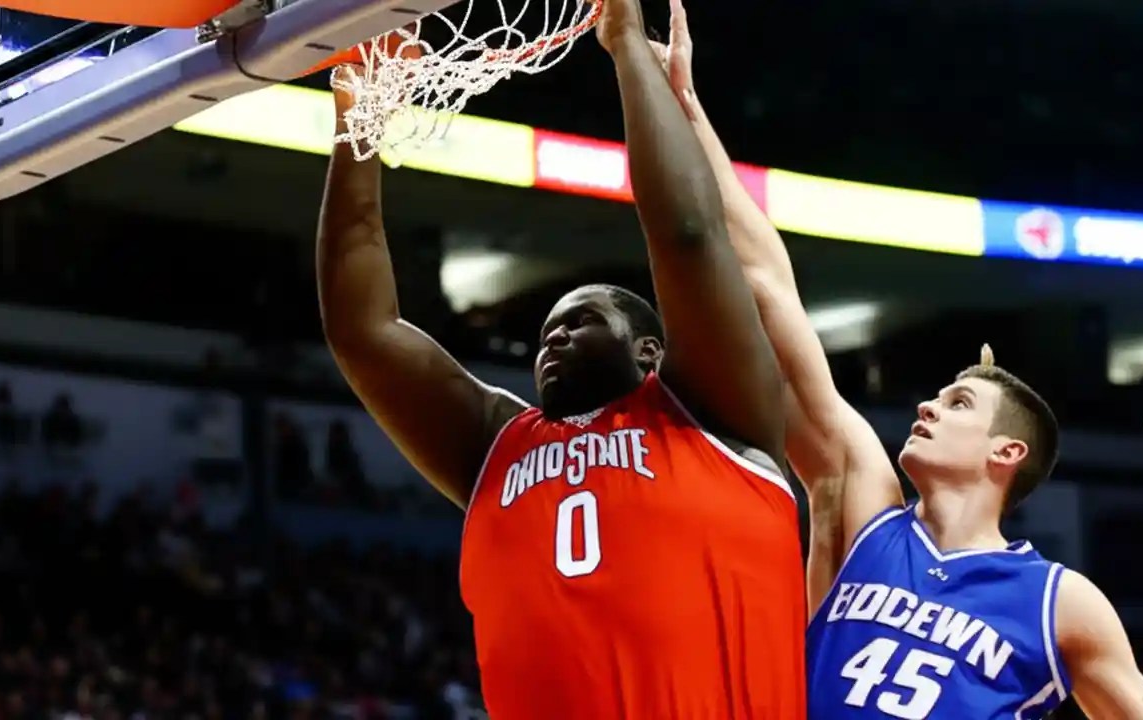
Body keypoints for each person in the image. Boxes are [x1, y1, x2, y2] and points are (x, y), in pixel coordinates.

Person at [648, 1, 1143, 717]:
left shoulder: (1060, 604)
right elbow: (770, 289)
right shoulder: (861, 501)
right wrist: (683, 107)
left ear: (1007, 450)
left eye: (958, 403)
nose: (926, 405)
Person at [316, 0, 806, 716]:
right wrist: (359, 113)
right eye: (548, 327)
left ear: (650, 349)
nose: (553, 335)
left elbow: (691, 234)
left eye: (581, 319)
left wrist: (626, 46)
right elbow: (363, 331)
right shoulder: (498, 443)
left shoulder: (712, 410)